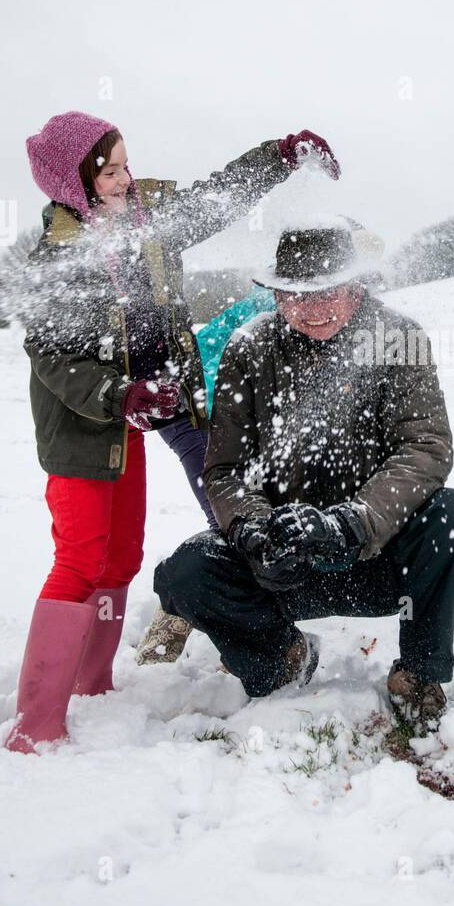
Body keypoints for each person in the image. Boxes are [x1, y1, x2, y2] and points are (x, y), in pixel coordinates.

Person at [6, 112, 339, 752]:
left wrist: (279, 155)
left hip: (168, 393)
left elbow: (219, 197)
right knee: (82, 557)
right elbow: (48, 356)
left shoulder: (149, 218)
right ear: (73, 183)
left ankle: (99, 682)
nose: (125, 178)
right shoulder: (55, 259)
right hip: (90, 421)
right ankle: (36, 722)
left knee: (161, 535)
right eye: (108, 171)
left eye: (126, 163)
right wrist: (117, 395)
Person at [153, 221, 454, 728]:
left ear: (356, 284)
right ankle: (281, 658)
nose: (311, 309)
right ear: (274, 292)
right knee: (187, 571)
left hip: (379, 554)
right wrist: (253, 531)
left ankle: (419, 672)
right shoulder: (248, 348)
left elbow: (423, 447)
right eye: (294, 295)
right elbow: (223, 469)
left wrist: (353, 523)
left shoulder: (398, 338)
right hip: (286, 565)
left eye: (327, 293)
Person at [135, 279, 276, 666]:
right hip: (196, 417)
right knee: (228, 522)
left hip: (223, 420)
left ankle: (240, 625)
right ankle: (175, 620)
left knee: (249, 519)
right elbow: (201, 353)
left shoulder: (312, 313)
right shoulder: (269, 308)